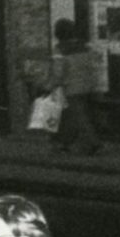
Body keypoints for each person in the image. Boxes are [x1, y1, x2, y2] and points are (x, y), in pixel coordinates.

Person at [46, 18, 103, 156]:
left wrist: (51, 85)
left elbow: (58, 71)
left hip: (71, 87)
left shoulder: (60, 49)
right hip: (88, 86)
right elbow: (97, 62)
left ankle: (92, 142)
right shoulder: (86, 46)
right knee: (74, 116)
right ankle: (65, 144)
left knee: (77, 117)